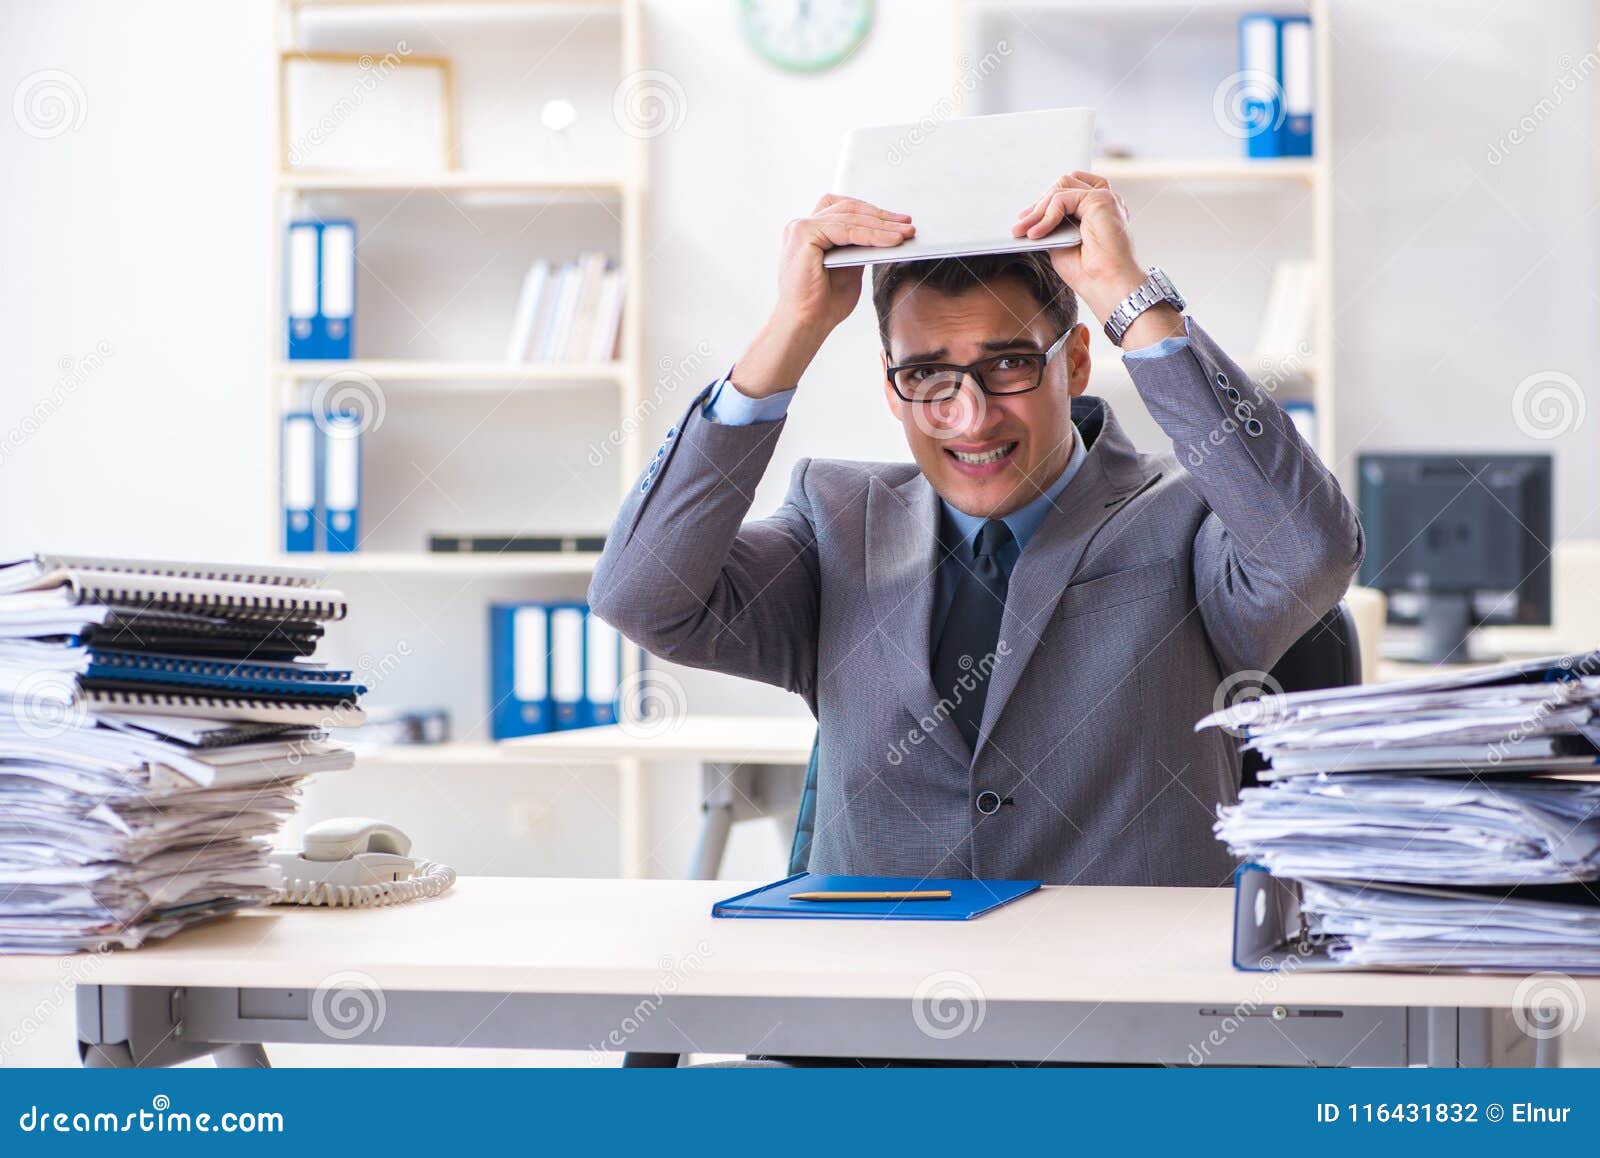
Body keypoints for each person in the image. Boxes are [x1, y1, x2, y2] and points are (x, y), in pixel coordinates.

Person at [590, 171, 1363, 887]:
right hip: (873, 1018)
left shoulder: (1191, 515)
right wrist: (790, 332)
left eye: (1010, 364)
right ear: (892, 389)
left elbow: (1310, 550)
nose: (971, 415)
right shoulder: (835, 522)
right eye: (926, 373)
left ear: (1079, 363)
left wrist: (1129, 295)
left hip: (1124, 1015)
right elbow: (641, 596)